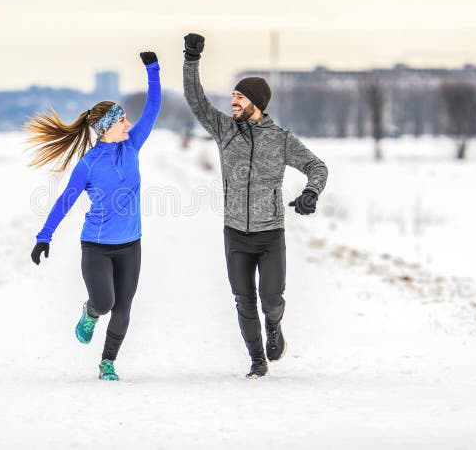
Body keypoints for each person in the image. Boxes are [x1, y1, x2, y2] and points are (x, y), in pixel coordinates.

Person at [182, 33, 328, 379]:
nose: (232, 101)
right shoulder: (223, 129)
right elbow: (196, 100)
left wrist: (311, 192)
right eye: (232, 95)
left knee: (271, 298)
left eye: (239, 96)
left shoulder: (280, 139)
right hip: (235, 232)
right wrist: (191, 60)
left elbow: (316, 166)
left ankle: (274, 326)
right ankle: (257, 361)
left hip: (269, 233)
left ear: (256, 102)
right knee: (243, 300)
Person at [26, 51, 161, 381]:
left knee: (124, 307)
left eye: (127, 120)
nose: (128, 124)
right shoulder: (88, 165)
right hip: (97, 246)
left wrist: (153, 71)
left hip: (132, 244)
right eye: (121, 121)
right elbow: (65, 201)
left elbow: (153, 108)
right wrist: (44, 236)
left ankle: (107, 363)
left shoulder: (131, 146)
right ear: (105, 129)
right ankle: (89, 312)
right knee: (104, 301)